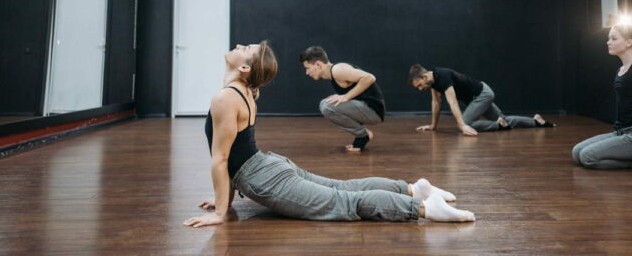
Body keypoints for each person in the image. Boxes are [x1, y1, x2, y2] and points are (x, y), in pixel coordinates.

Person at [183, 41, 475, 227]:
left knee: (345, 202)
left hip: (263, 174)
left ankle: (423, 207)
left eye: (245, 48)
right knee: (345, 188)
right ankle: (413, 188)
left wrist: (222, 212)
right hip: (269, 166)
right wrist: (223, 198)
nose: (238, 44)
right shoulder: (243, 92)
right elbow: (234, 154)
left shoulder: (226, 97)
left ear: (245, 67)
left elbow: (222, 160)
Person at [572, 24, 632, 170]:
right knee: (576, 153)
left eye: (613, 38)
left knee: (587, 157)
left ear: (629, 42)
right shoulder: (621, 70)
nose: (608, 42)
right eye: (608, 38)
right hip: (622, 132)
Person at [408, 64, 556, 135]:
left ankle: (499, 126)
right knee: (504, 119)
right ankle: (537, 121)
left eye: (420, 85)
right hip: (480, 96)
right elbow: (436, 103)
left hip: (482, 94)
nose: (420, 89)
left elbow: (452, 102)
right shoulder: (433, 83)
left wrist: (462, 125)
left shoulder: (443, 77)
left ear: (424, 76)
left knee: (465, 122)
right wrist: (433, 126)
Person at [300, 46, 385, 151]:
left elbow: (369, 78)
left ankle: (363, 135)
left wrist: (346, 96)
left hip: (373, 110)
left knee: (327, 106)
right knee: (327, 104)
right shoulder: (334, 73)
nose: (307, 73)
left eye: (308, 68)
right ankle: (362, 135)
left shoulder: (338, 70)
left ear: (318, 64)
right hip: (365, 108)